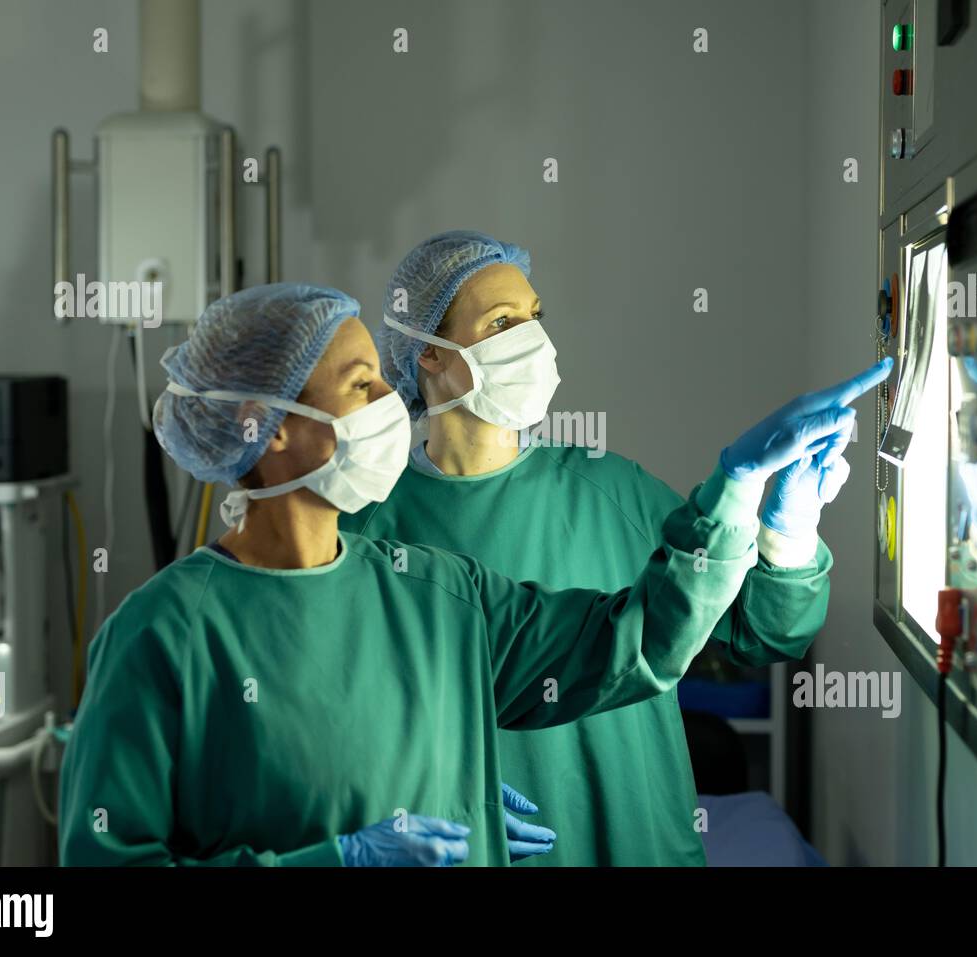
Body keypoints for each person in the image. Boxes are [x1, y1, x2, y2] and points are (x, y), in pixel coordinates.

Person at [58, 282, 888, 866]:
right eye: (362, 383)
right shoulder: (160, 637)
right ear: (267, 428)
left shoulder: (438, 592)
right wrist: (330, 861)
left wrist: (742, 499)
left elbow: (634, 641)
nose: (390, 399)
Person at [350, 231, 876, 865]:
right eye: (501, 322)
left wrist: (788, 533)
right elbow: (338, 723)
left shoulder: (610, 489)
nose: (533, 339)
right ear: (429, 354)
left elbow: (759, 634)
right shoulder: (369, 531)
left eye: (535, 317)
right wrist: (412, 798)